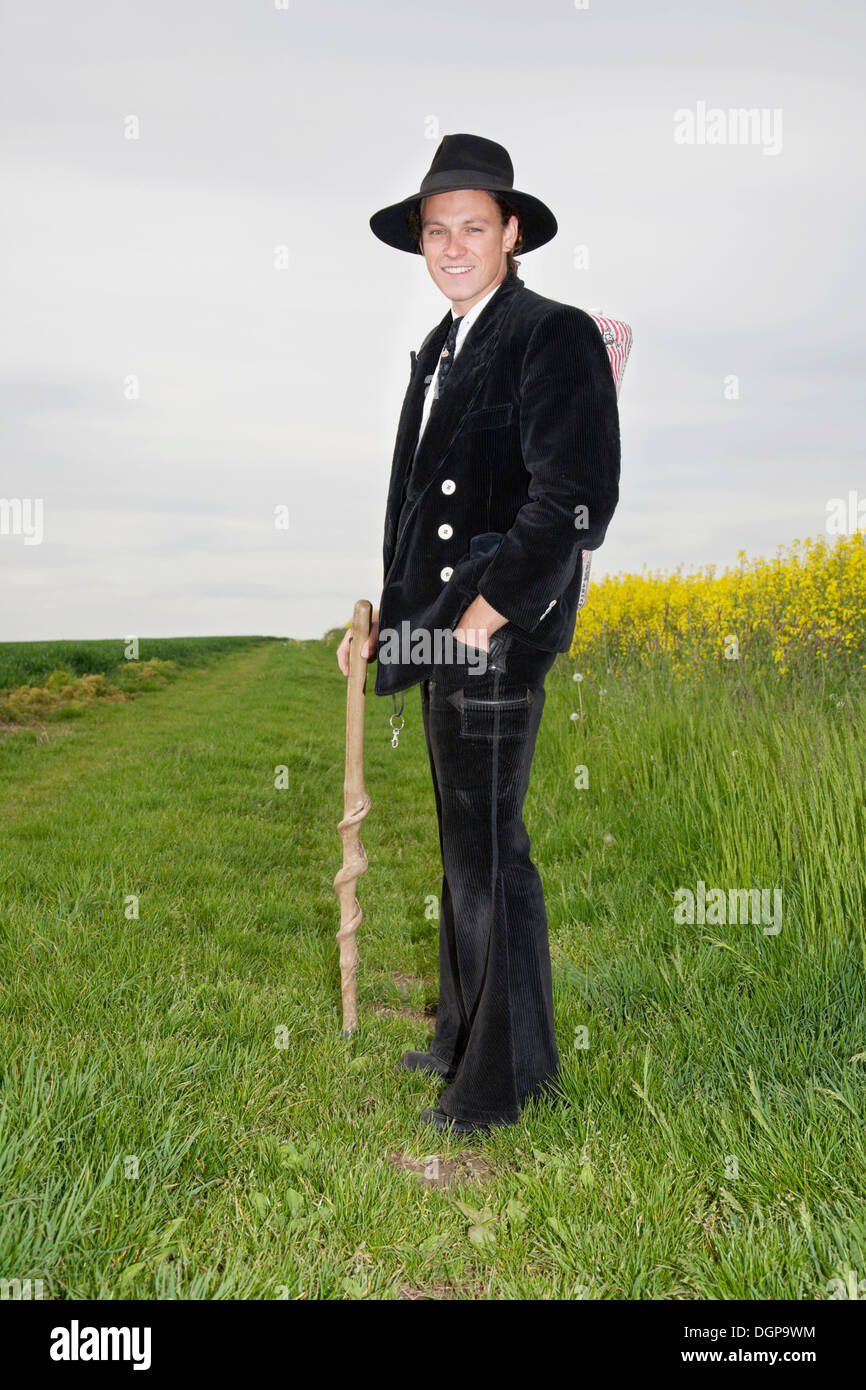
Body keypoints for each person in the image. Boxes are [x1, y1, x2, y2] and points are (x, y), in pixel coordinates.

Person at [337, 133, 621, 1136]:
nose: (452, 245)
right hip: (445, 629)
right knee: (466, 844)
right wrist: (392, 632)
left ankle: (497, 1083)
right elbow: (423, 509)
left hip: (495, 630)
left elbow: (576, 498)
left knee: (491, 848)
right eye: (436, 230)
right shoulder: (447, 343)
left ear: (509, 233)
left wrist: (476, 619)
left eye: (473, 227)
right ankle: (465, 1031)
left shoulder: (548, 333)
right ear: (422, 243)